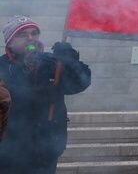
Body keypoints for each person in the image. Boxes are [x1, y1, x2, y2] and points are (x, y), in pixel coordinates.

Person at [0, 16, 91, 174]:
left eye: (34, 33)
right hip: (10, 151)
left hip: (45, 150)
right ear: (10, 41)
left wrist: (69, 61)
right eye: (22, 34)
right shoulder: (2, 66)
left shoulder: (52, 62)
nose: (30, 38)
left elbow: (80, 83)